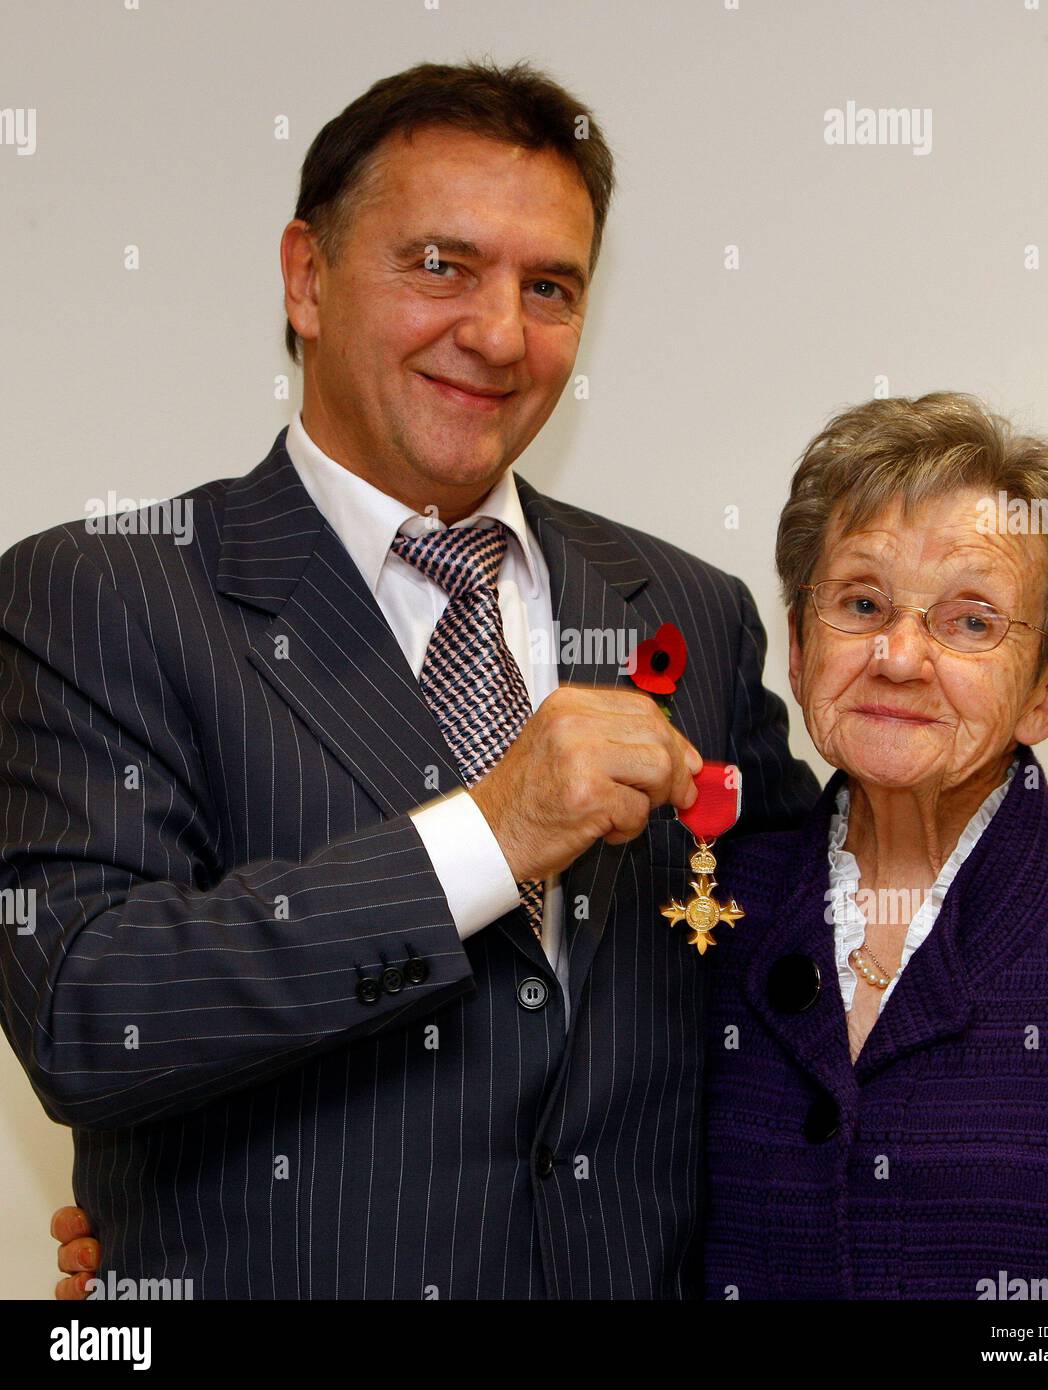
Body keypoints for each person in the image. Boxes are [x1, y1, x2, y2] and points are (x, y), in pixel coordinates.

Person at [0, 59, 818, 1301]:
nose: (498, 333)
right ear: (307, 277)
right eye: (441, 264)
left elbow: (808, 955)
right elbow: (86, 1015)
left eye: (548, 287)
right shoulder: (105, 591)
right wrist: (492, 830)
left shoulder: (688, 610)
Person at [702, 392, 1048, 1299]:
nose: (900, 656)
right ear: (797, 648)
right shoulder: (706, 909)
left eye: (971, 621)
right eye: (863, 602)